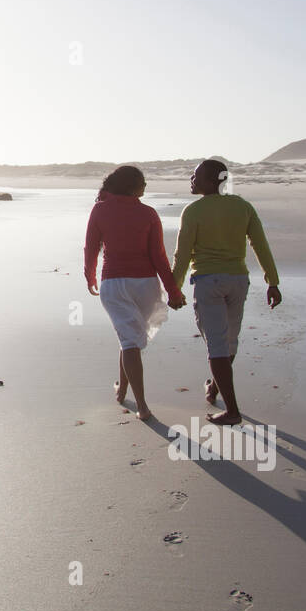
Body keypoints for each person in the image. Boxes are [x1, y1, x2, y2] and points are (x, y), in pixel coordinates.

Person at [171, 159, 282, 425]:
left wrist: (174, 289)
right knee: (229, 342)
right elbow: (260, 245)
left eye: (196, 176)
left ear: (212, 181)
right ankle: (214, 387)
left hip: (209, 282)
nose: (191, 179)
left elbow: (182, 254)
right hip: (237, 281)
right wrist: (273, 282)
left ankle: (232, 411)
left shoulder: (193, 211)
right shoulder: (243, 207)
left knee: (218, 347)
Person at [85, 165, 186, 421]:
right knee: (130, 339)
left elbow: (91, 247)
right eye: (143, 182)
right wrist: (173, 291)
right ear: (132, 186)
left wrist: (90, 275)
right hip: (145, 285)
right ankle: (131, 396)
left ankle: (136, 401)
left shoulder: (100, 209)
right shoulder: (148, 213)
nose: (146, 187)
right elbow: (159, 257)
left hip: (114, 284)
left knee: (129, 339)